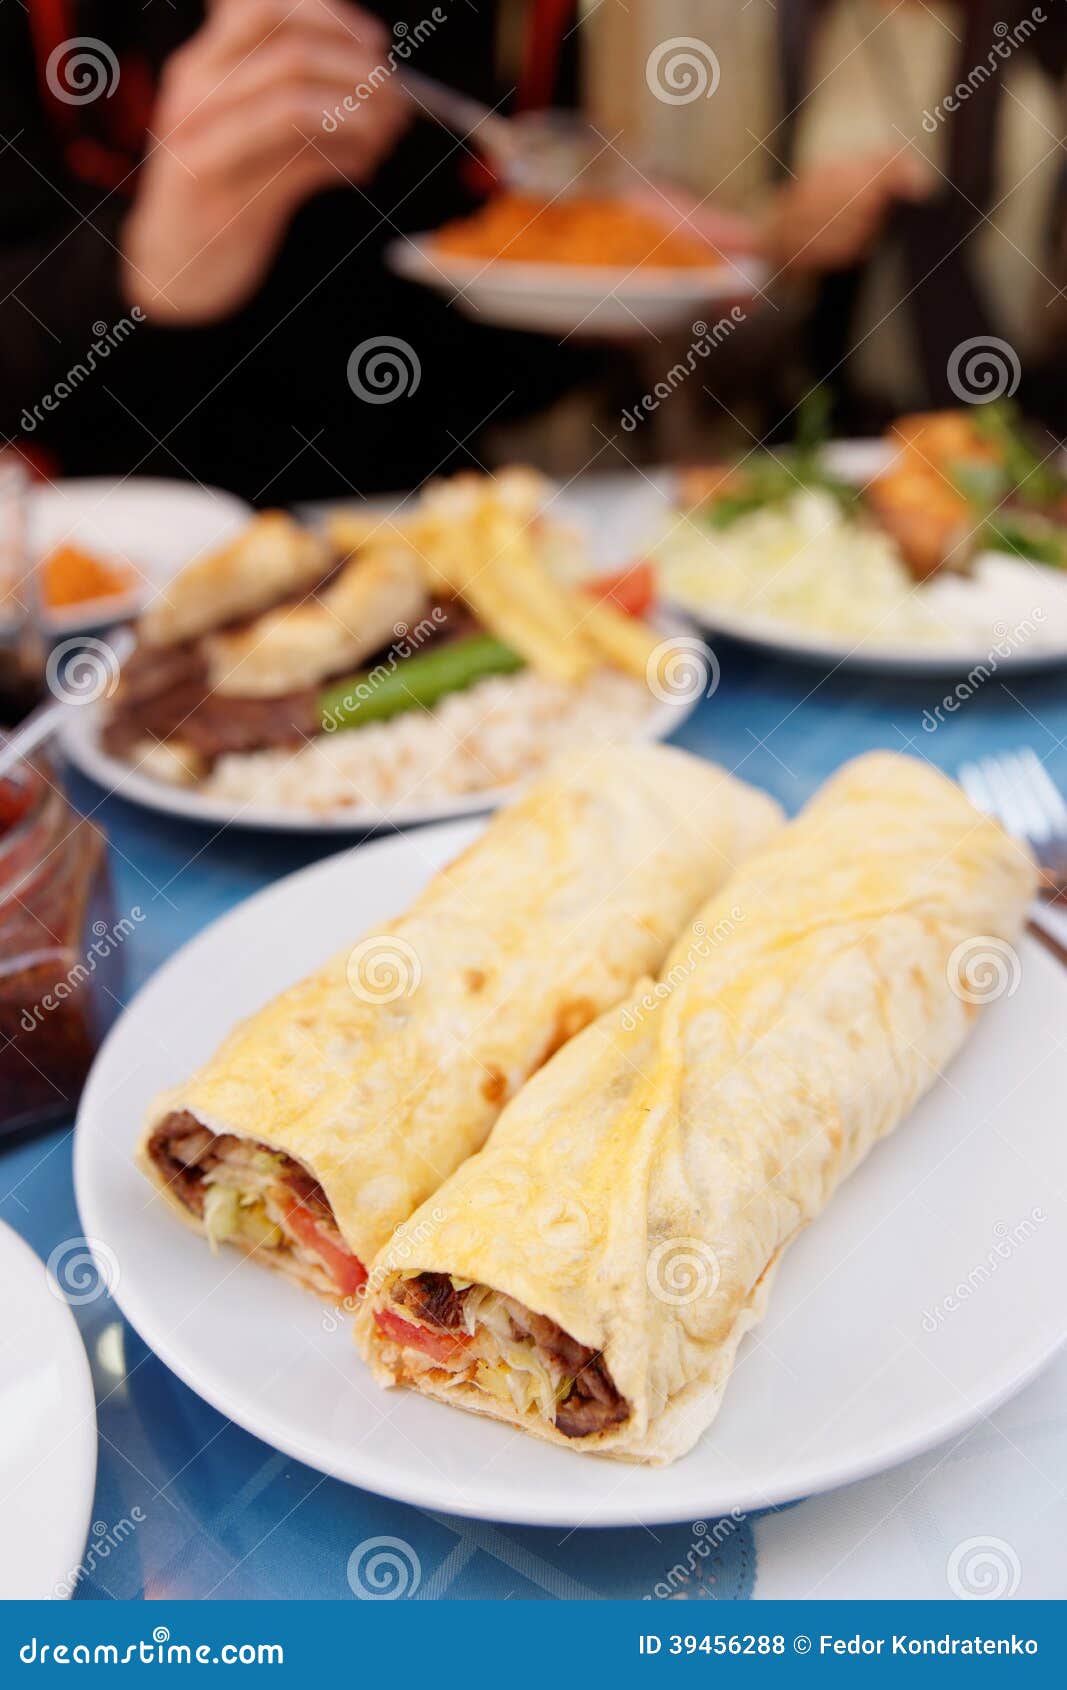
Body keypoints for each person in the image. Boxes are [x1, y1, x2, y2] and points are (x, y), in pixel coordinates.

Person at [0, 0, 591, 501]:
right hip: (117, 545)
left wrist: (610, 284)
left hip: (429, 531)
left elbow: (514, 375)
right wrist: (137, 269)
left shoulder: (524, 16)